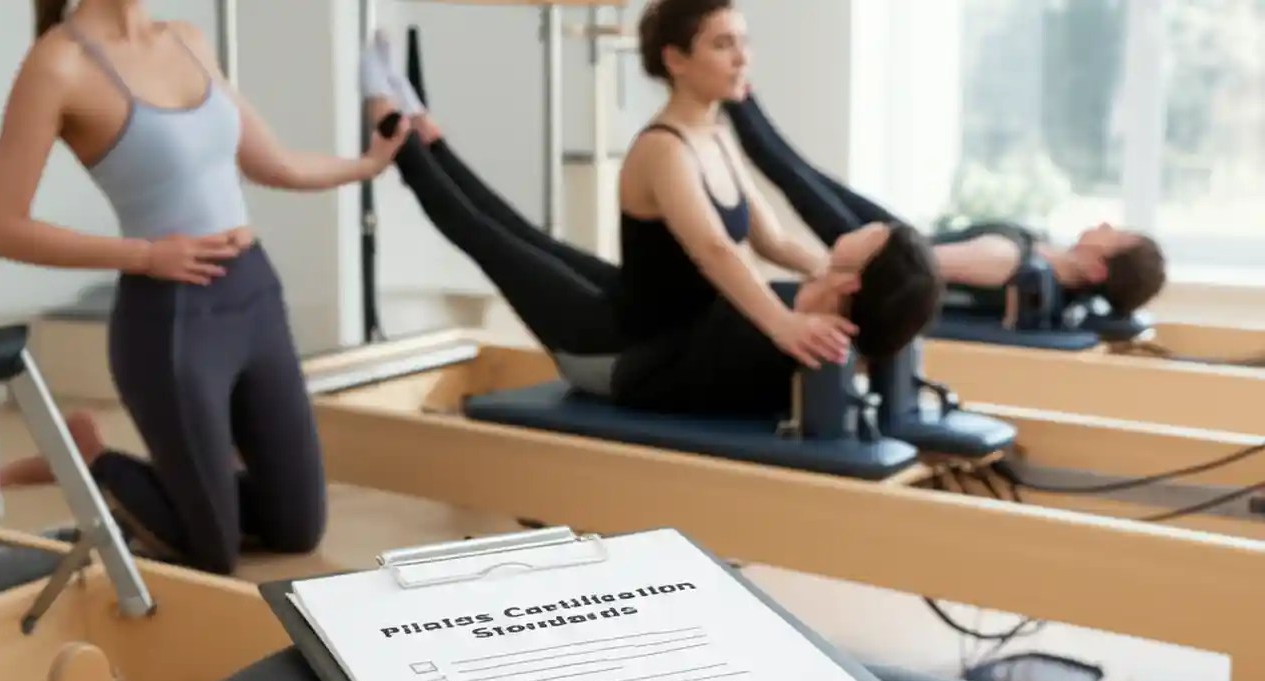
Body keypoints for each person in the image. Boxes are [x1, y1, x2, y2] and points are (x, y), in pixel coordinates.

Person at [0, 0, 411, 575]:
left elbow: (274, 164)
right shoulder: (59, 63)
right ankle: (90, 457)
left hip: (255, 296)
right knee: (213, 551)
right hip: (172, 317)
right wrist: (144, 255)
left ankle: (191, 477)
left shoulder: (187, 40)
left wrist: (368, 164)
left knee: (297, 528)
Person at [361, 0, 942, 418]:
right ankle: (397, 126)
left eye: (743, 41)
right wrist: (785, 319)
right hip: (619, 335)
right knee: (493, 234)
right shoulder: (666, 148)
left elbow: (771, 242)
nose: (743, 59)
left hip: (645, 350)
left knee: (507, 231)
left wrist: (831, 278)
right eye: (723, 43)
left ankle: (421, 130)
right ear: (676, 60)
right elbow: (714, 249)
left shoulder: (714, 136)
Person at [723, 90, 1168, 322]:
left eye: (1116, 234)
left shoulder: (1007, 258)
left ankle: (728, 86)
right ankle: (735, 87)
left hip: (883, 247)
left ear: (1097, 271)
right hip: (893, 234)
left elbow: (905, 264)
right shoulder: (1041, 258)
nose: (1106, 223)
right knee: (797, 169)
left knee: (788, 170)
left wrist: (825, 268)